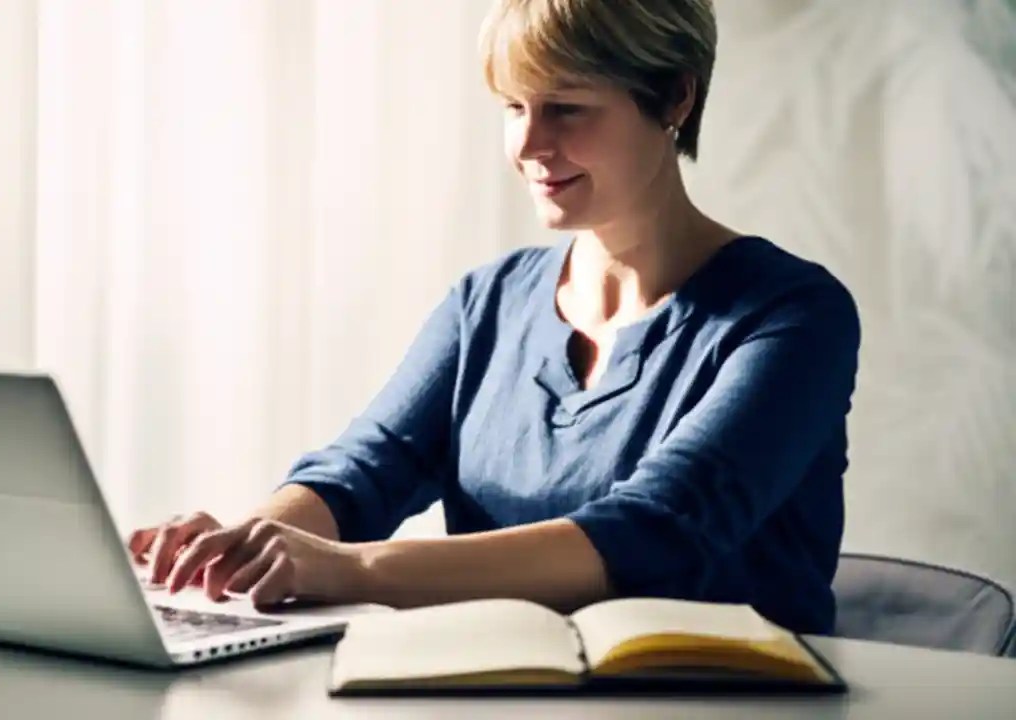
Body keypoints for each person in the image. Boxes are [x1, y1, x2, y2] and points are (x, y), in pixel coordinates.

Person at [128, 0, 859, 635]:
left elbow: (654, 533)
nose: (529, 146)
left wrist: (354, 571)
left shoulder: (792, 318)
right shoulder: (489, 303)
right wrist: (247, 545)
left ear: (674, 99)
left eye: (566, 108)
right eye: (514, 107)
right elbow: (362, 474)